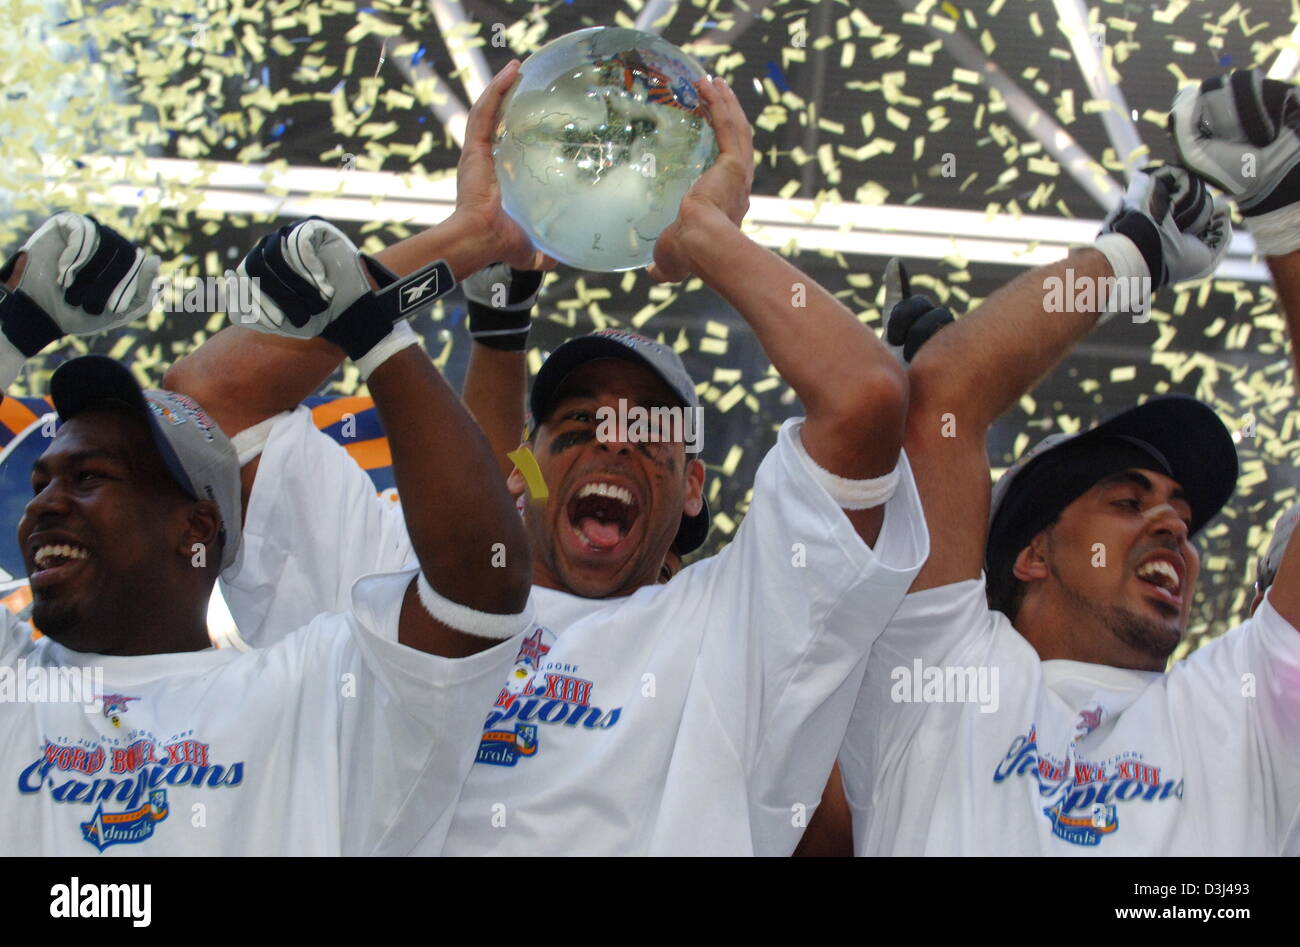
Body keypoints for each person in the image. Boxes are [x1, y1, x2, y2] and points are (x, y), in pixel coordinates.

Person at [164, 60, 930, 855]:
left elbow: (865, 395)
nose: (614, 436)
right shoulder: (393, 575)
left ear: (694, 486)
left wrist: (709, 233)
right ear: (522, 467)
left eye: (649, 427)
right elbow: (207, 402)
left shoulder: (729, 636)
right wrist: (474, 237)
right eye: (580, 420)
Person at [0, 211, 535, 854]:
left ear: (195, 528)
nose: (45, 507)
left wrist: (375, 331)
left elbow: (479, 592)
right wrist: (13, 329)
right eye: (41, 484)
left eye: (90, 478)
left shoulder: (311, 696)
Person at [829, 149, 1299, 854]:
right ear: (1032, 553)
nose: (1174, 524)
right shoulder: (942, 681)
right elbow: (943, 398)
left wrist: (1286, 210)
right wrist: (1133, 253)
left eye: (1181, 511)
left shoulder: (1241, 710)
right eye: (1128, 500)